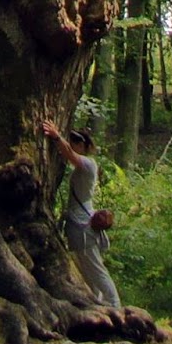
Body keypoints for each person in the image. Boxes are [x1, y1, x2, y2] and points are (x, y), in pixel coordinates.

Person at [43, 119, 121, 309]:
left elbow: (69, 154)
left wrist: (55, 136)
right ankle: (99, 303)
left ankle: (114, 304)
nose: (70, 146)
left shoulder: (89, 164)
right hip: (78, 224)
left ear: (81, 145)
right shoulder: (84, 166)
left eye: (73, 143)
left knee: (96, 270)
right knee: (87, 271)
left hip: (83, 225)